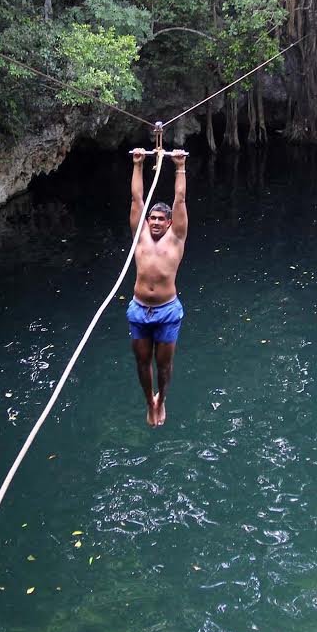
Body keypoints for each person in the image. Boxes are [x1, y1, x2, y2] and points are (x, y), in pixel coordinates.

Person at [127, 148, 188, 427]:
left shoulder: (176, 238)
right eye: (152, 218)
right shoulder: (139, 236)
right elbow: (136, 198)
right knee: (142, 362)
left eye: (161, 219)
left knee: (163, 365)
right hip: (139, 310)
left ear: (169, 223)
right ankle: (148, 402)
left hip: (167, 310)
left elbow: (180, 199)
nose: (155, 222)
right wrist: (138, 164)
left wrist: (179, 166)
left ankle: (161, 399)